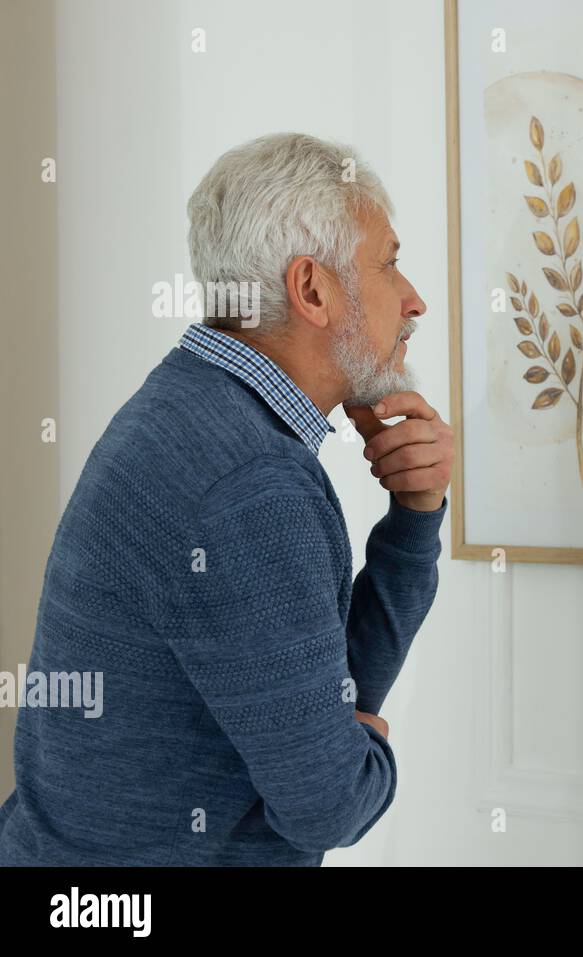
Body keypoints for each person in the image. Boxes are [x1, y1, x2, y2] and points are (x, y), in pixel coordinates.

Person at [0, 132, 452, 865]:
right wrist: (369, 743)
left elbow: (315, 696)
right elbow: (327, 801)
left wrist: (416, 516)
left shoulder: (186, 404)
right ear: (312, 289)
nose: (413, 299)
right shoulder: (249, 484)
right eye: (390, 263)